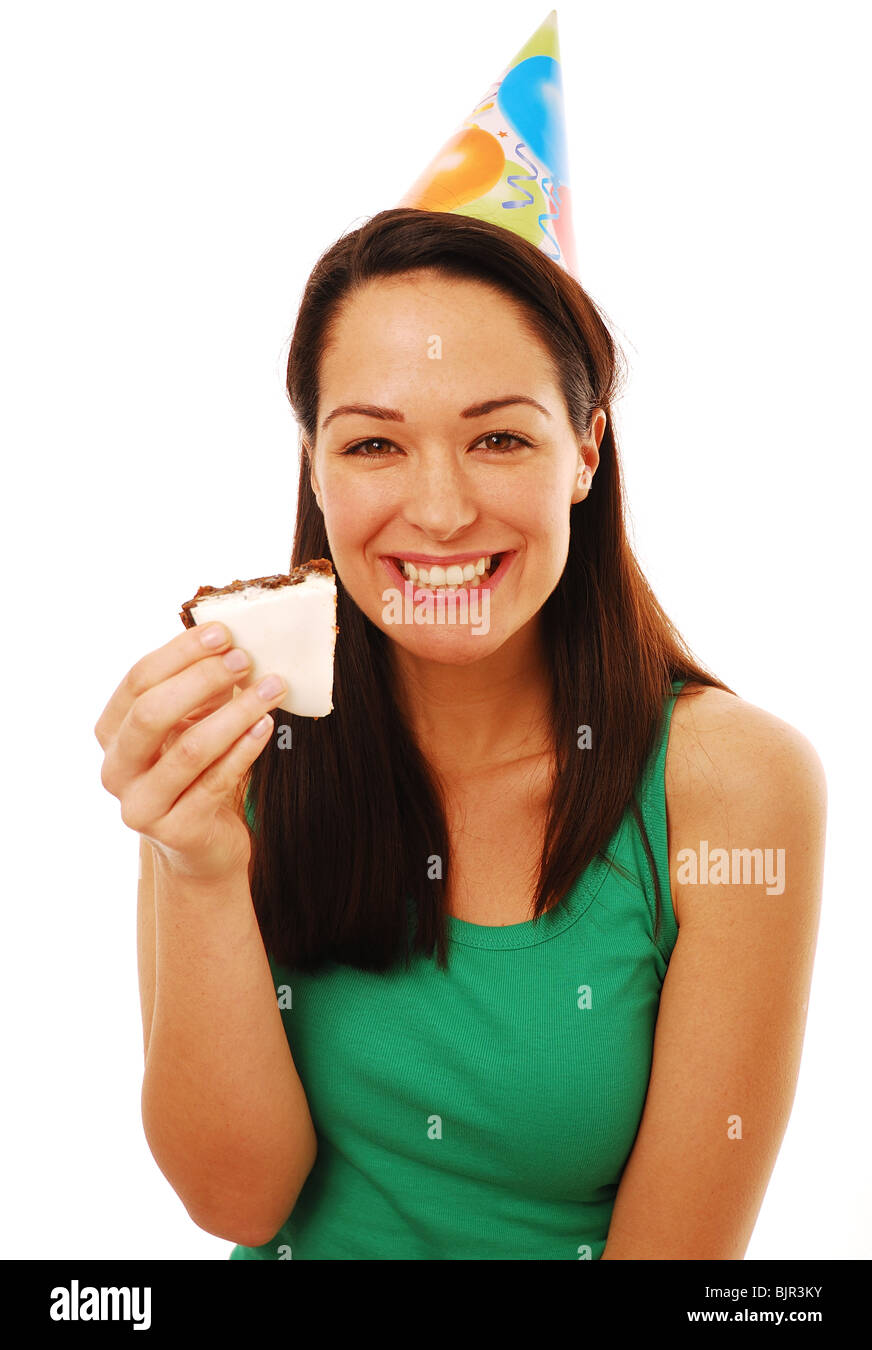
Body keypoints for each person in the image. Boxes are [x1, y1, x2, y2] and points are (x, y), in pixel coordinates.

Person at [95, 205, 826, 1260]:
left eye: (497, 438)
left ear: (585, 451)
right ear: (314, 466)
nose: (438, 512)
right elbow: (239, 1205)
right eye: (374, 443)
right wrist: (197, 865)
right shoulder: (227, 750)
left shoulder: (731, 782)